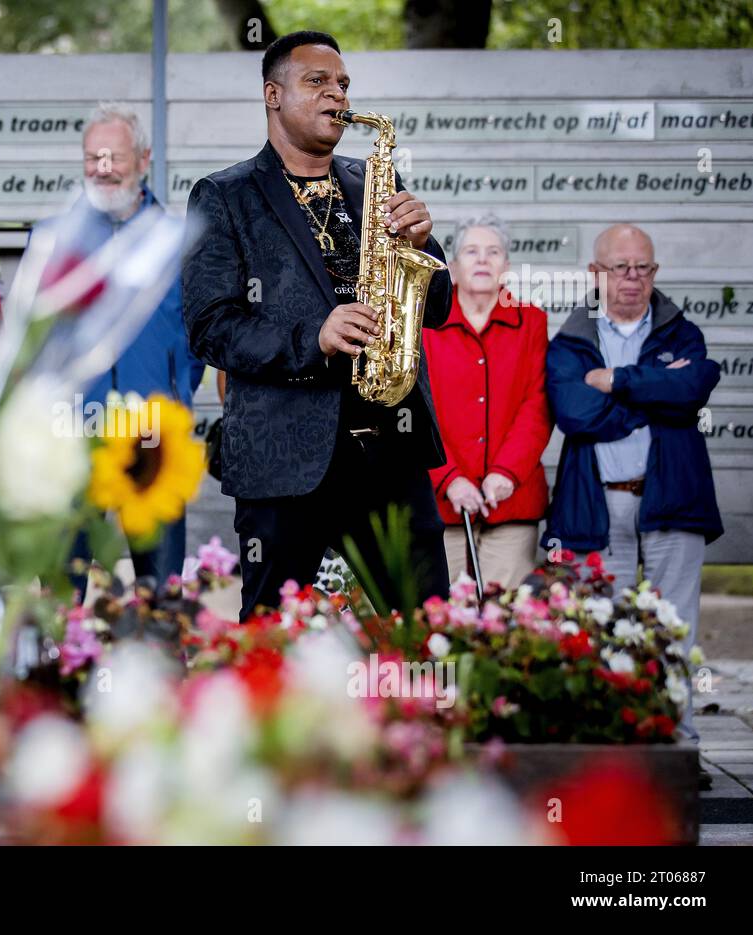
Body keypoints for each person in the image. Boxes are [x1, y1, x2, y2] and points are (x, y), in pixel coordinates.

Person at [182, 30, 453, 620]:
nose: (338, 95)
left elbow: (436, 309)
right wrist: (315, 338)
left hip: (391, 452)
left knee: (431, 636)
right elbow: (209, 327)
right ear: (272, 95)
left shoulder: (377, 181)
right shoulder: (224, 196)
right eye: (318, 82)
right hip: (285, 464)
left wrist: (425, 247)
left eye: (344, 84)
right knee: (269, 647)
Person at [546, 223, 722, 735]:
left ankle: (678, 742)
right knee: (606, 628)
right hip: (600, 505)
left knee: (674, 630)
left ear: (655, 273)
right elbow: (575, 412)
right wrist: (654, 402)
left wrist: (620, 382)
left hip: (672, 499)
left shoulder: (680, 331)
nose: (632, 278)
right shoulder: (574, 338)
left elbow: (692, 389)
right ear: (596, 274)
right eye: (620, 267)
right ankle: (617, 745)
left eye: (642, 267)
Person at [51, 102, 206, 595]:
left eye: (115, 156)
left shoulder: (175, 244)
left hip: (152, 442)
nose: (104, 168)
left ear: (142, 159)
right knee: (63, 594)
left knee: (160, 590)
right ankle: (61, 671)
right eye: (92, 157)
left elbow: (198, 335)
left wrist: (175, 391)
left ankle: (159, 668)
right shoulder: (58, 243)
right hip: (75, 442)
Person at [425, 215, 552, 590]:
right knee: (440, 620)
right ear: (453, 266)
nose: (482, 260)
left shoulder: (532, 321)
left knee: (506, 623)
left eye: (493, 252)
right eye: (471, 251)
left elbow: (538, 406)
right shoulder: (424, 326)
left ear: (506, 267)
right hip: (440, 501)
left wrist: (506, 473)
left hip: (511, 501)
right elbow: (414, 411)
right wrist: (448, 477)